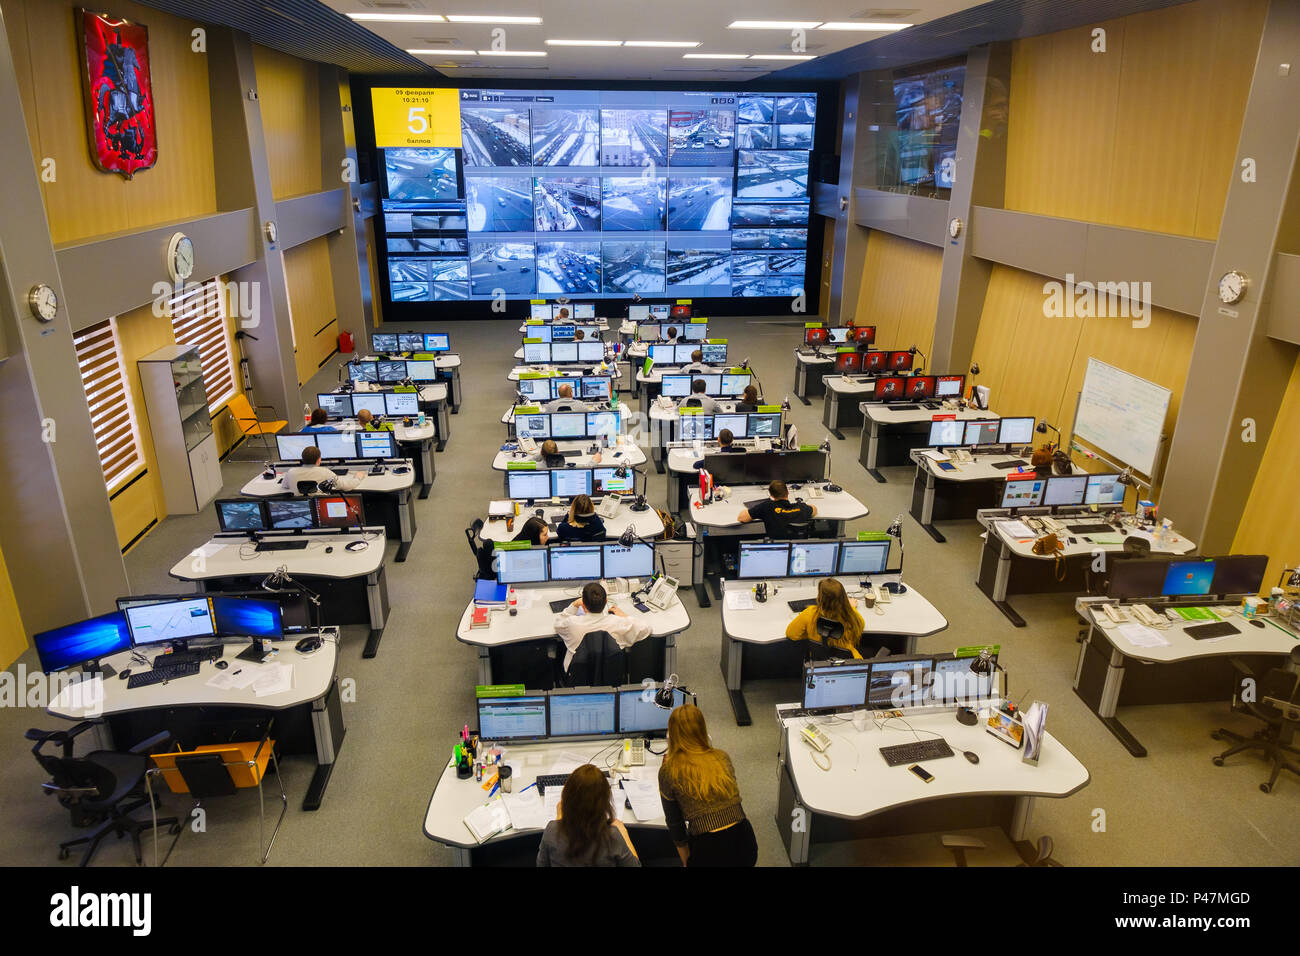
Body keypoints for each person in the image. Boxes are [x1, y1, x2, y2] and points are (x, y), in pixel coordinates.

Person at [658, 705, 757, 867]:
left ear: (672, 735)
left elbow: (675, 825)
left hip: (709, 848)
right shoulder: (721, 757)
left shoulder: (669, 771)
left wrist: (686, 862)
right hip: (745, 841)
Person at [537, 764, 639, 867]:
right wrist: (623, 832)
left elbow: (541, 865)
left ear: (567, 798)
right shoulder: (612, 836)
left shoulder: (551, 830)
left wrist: (560, 819)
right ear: (604, 803)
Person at [553, 582, 651, 672]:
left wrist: (574, 605)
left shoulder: (572, 623)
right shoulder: (617, 622)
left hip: (577, 676)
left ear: (583, 604)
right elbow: (646, 628)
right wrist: (623, 615)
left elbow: (558, 624)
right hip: (610, 675)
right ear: (606, 601)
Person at [785, 578, 865, 658]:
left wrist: (810, 635)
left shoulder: (810, 613)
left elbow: (791, 634)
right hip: (849, 663)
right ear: (843, 596)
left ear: (820, 597)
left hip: (818, 662)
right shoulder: (853, 616)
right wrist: (851, 608)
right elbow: (857, 633)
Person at [737, 480, 816, 537]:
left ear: (771, 495)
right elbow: (814, 509)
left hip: (776, 547)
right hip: (797, 547)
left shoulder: (767, 507)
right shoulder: (801, 507)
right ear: (788, 492)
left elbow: (742, 518)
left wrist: (756, 509)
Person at [283, 446, 362, 494]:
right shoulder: (325, 472)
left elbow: (285, 486)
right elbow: (346, 486)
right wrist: (358, 478)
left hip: (301, 506)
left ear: (302, 459)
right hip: (321, 505)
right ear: (319, 460)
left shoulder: (291, 472)